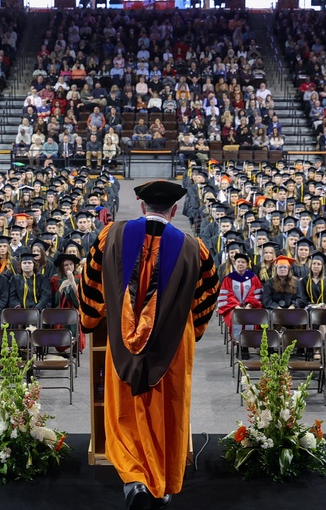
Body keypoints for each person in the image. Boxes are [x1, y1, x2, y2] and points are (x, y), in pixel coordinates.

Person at [80, 179, 218, 510]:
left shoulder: (110, 235)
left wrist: (92, 319)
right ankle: (162, 483)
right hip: (172, 348)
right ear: (173, 211)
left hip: (121, 344)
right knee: (166, 410)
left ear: (142, 207)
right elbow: (208, 294)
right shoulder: (192, 246)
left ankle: (135, 479)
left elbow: (91, 283)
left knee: (126, 410)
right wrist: (191, 330)